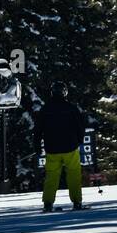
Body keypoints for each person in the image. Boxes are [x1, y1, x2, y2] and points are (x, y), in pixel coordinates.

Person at [35, 81, 86, 212]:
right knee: (74, 175)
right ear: (65, 92)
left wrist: (37, 146)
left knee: (51, 176)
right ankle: (77, 202)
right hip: (70, 147)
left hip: (52, 149)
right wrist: (78, 141)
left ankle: (47, 203)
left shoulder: (45, 109)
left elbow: (38, 130)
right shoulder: (71, 108)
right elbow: (80, 127)